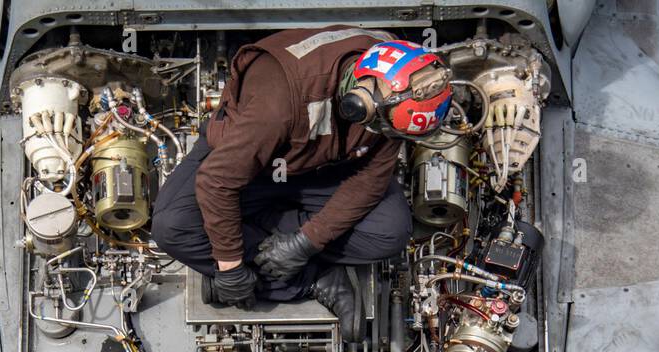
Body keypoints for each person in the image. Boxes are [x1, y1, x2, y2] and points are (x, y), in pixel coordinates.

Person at [151, 28, 452, 323]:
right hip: (251, 166)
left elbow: (370, 180)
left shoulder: (401, 85)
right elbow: (217, 181)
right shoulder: (279, 100)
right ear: (358, 99)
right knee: (172, 226)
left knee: (391, 232)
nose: (384, 135)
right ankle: (314, 280)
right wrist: (230, 267)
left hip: (324, 168)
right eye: (380, 126)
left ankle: (260, 228)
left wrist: (305, 242)